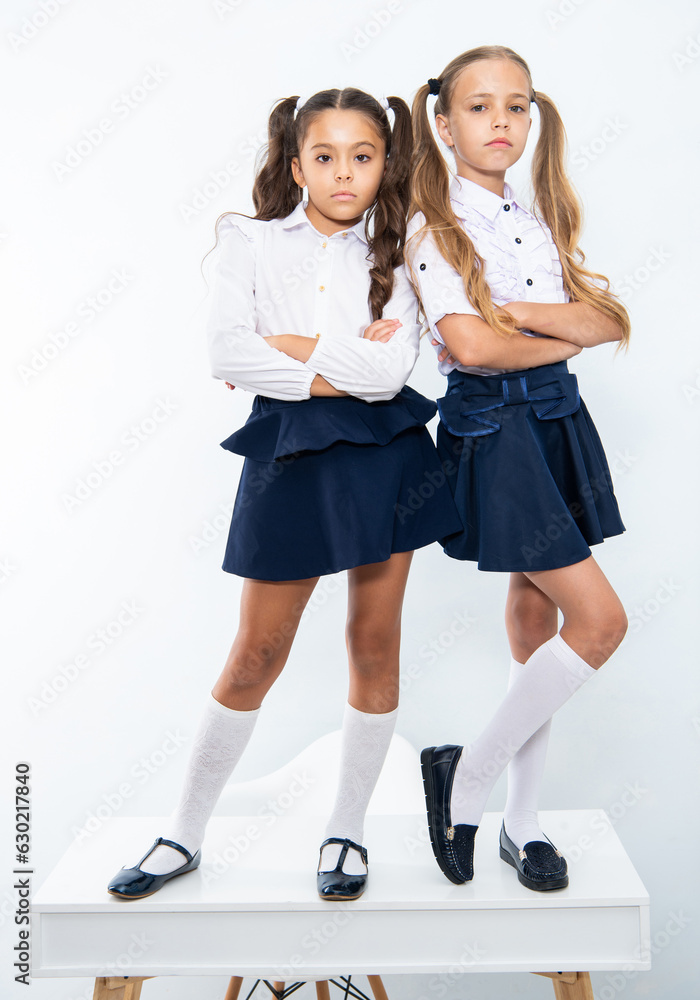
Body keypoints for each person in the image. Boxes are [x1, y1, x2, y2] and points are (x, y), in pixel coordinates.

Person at [106, 87, 461, 903]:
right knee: (255, 653)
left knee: (374, 644)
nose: (344, 173)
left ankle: (347, 830)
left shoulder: (403, 245)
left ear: (386, 162)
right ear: (296, 162)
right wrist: (333, 360)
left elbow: (389, 375)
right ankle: (183, 833)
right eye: (325, 156)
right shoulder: (249, 240)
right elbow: (225, 350)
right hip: (288, 453)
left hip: (388, 456)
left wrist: (290, 346)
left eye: (363, 156)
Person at [405, 47, 630, 891]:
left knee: (536, 630)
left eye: (518, 106)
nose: (502, 123)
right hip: (497, 432)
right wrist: (565, 329)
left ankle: (522, 822)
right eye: (480, 107)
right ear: (444, 121)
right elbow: (469, 345)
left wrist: (538, 318)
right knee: (601, 625)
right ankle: (464, 778)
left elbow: (608, 320)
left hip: (555, 418)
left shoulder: (532, 216)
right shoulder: (438, 225)